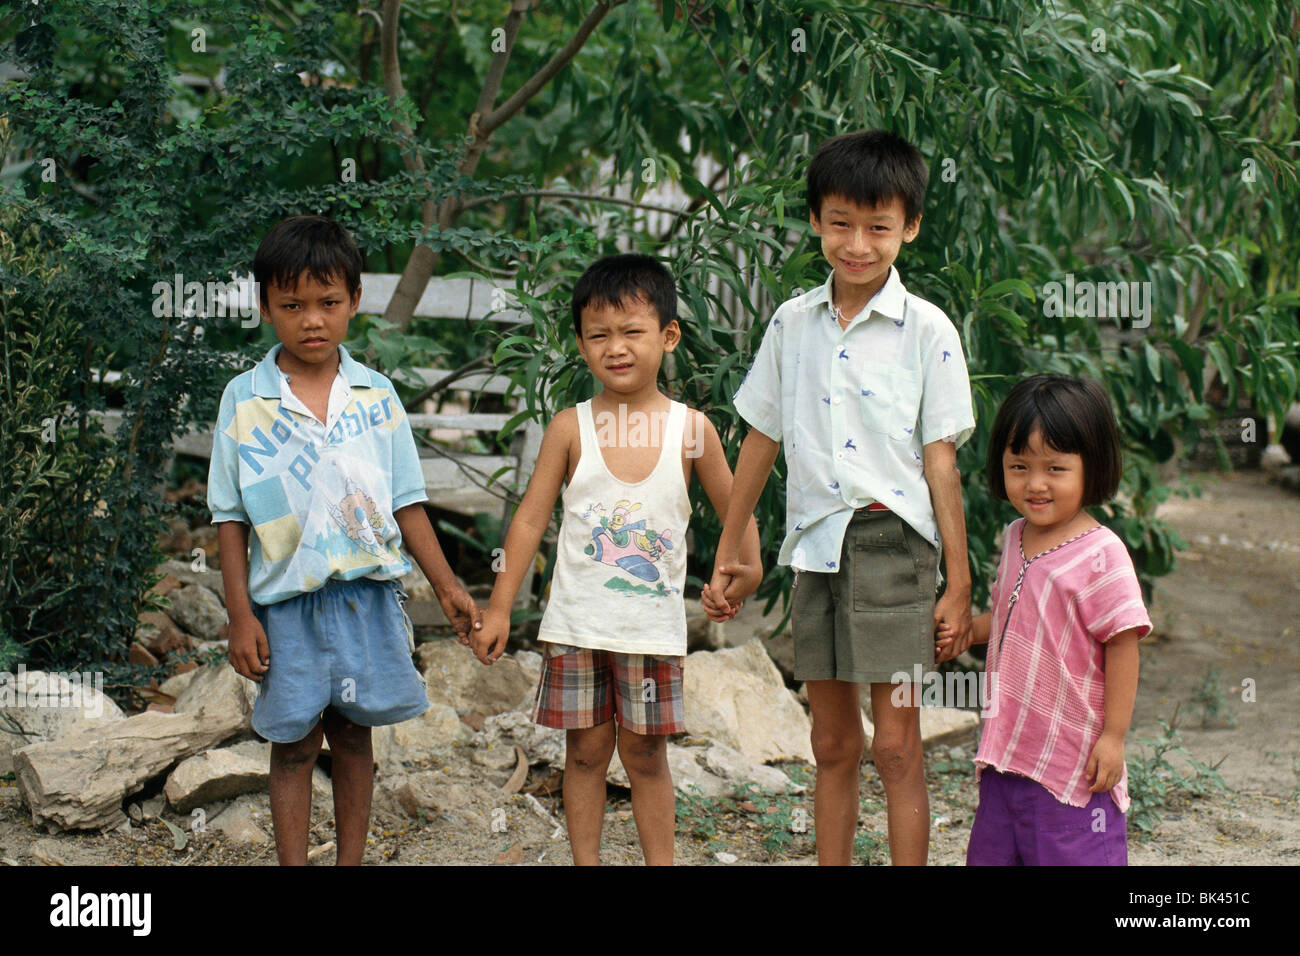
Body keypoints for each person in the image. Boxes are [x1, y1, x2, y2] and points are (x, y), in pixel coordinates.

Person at [708, 130, 977, 865]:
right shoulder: (793, 324)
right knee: (830, 742)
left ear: (909, 227)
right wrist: (730, 548)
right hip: (816, 552)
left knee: (895, 745)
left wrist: (959, 582)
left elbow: (941, 462)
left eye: (878, 227)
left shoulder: (927, 330)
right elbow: (759, 440)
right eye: (840, 224)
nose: (857, 244)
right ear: (817, 221)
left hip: (895, 549)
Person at [207, 215, 483, 865]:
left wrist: (447, 586)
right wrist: (241, 616)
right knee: (296, 744)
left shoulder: (376, 396)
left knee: (354, 738)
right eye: (292, 305)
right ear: (265, 307)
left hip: (364, 599)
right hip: (287, 607)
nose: (312, 320)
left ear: (354, 302)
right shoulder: (245, 400)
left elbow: (407, 501)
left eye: (328, 303)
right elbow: (229, 517)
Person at [472, 253, 761, 866]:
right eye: (599, 334)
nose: (616, 347)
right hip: (579, 625)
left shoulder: (692, 430)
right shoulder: (569, 427)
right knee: (585, 752)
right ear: (581, 344)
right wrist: (499, 607)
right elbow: (528, 519)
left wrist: (746, 571)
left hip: (650, 632)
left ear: (669, 335)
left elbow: (737, 510)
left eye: (632, 331)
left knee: (646, 756)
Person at [938, 374, 1149, 866]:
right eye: (1019, 466)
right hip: (1008, 753)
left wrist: (1114, 737)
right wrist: (966, 630)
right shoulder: (1015, 536)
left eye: (1056, 467)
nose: (1035, 483)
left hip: (1072, 763)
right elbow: (1015, 616)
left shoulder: (1102, 553)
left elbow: (1123, 645)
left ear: (1091, 467)